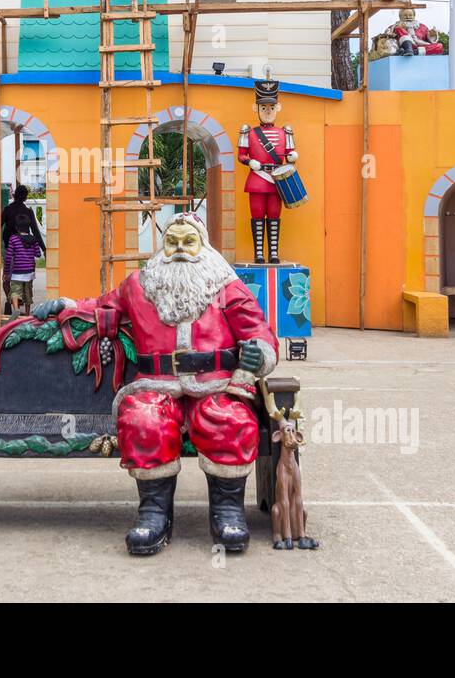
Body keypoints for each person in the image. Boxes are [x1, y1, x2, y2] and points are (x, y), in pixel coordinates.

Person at [33, 213, 277, 556]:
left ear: (203, 245)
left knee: (228, 418)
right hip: (156, 383)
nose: (179, 250)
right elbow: (103, 305)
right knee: (143, 418)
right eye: (172, 242)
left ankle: (227, 510)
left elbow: (258, 331)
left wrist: (259, 353)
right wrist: (68, 305)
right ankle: (154, 512)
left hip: (216, 383)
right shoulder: (140, 284)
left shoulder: (225, 286)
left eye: (188, 242)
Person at [237, 79, 299, 263]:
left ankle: (273, 253)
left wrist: (293, 156)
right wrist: (250, 162)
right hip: (257, 178)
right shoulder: (248, 132)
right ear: (256, 108)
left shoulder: (285, 132)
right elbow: (241, 155)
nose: (268, 111)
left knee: (274, 215)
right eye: (263, 107)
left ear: (278, 107)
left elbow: (288, 155)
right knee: (257, 215)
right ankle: (259, 253)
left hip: (276, 180)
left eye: (271, 107)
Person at [0, 184, 46, 312]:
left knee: (7, 277)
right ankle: (19, 304)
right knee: (25, 281)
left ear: (14, 195)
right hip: (26, 248)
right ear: (25, 197)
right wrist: (44, 249)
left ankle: (10, 300)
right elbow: (35, 231)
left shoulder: (7, 210)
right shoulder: (28, 212)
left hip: (10, 248)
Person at [4, 211, 40, 316]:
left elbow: (8, 256)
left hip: (17, 272)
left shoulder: (13, 239)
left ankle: (16, 311)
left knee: (15, 291)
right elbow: (37, 254)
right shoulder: (33, 239)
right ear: (28, 226)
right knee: (28, 293)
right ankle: (27, 314)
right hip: (29, 272)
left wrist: (6, 272)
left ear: (16, 227)